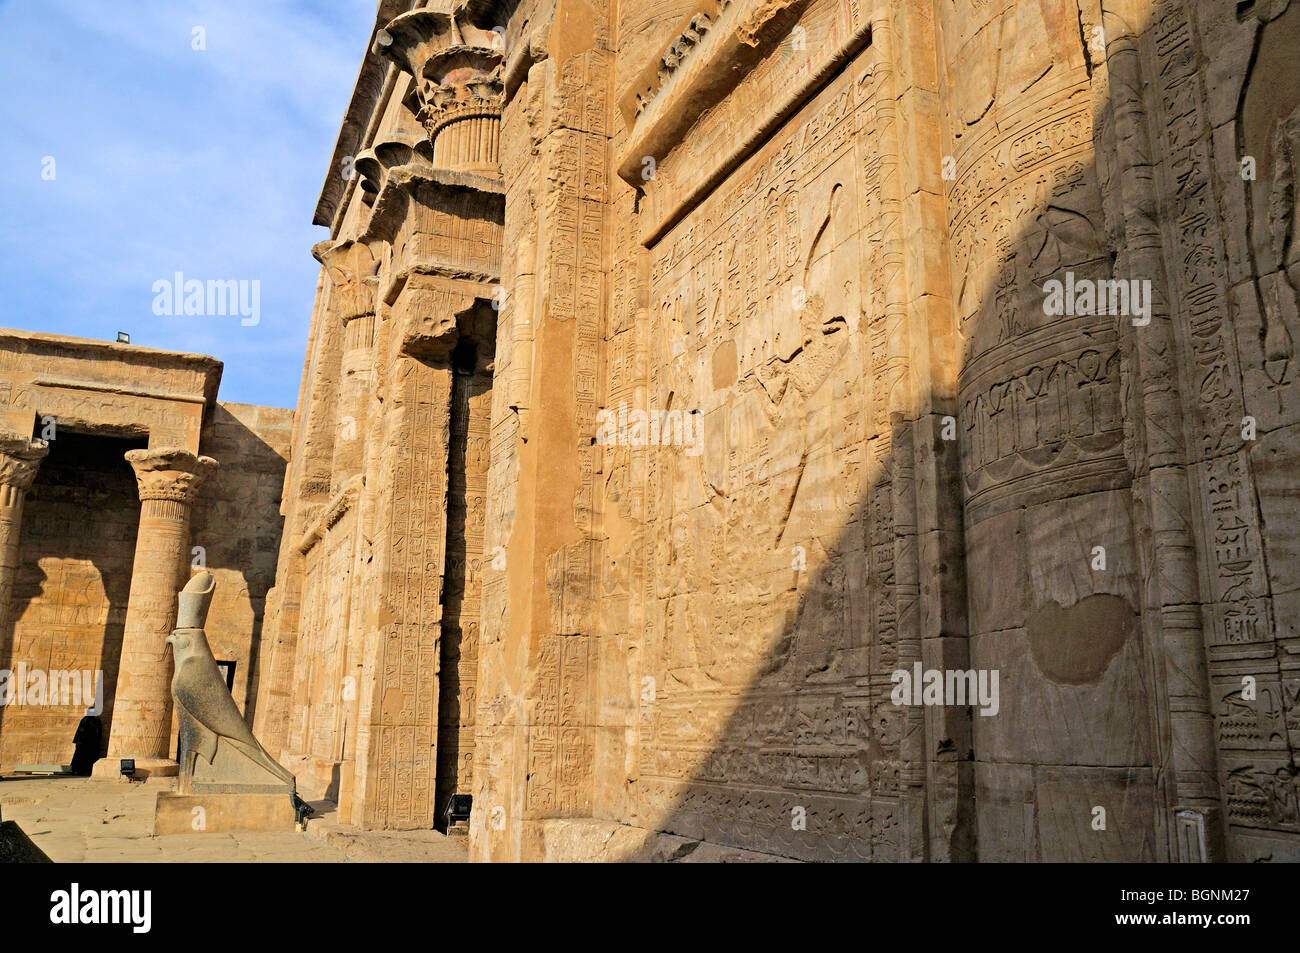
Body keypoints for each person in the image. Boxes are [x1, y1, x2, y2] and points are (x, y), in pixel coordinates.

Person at [69, 711, 101, 776]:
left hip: (89, 743)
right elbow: (80, 731)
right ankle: (78, 770)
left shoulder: (92, 720)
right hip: (85, 743)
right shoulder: (87, 719)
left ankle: (82, 770)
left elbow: (97, 732)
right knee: (80, 757)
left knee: (86, 757)